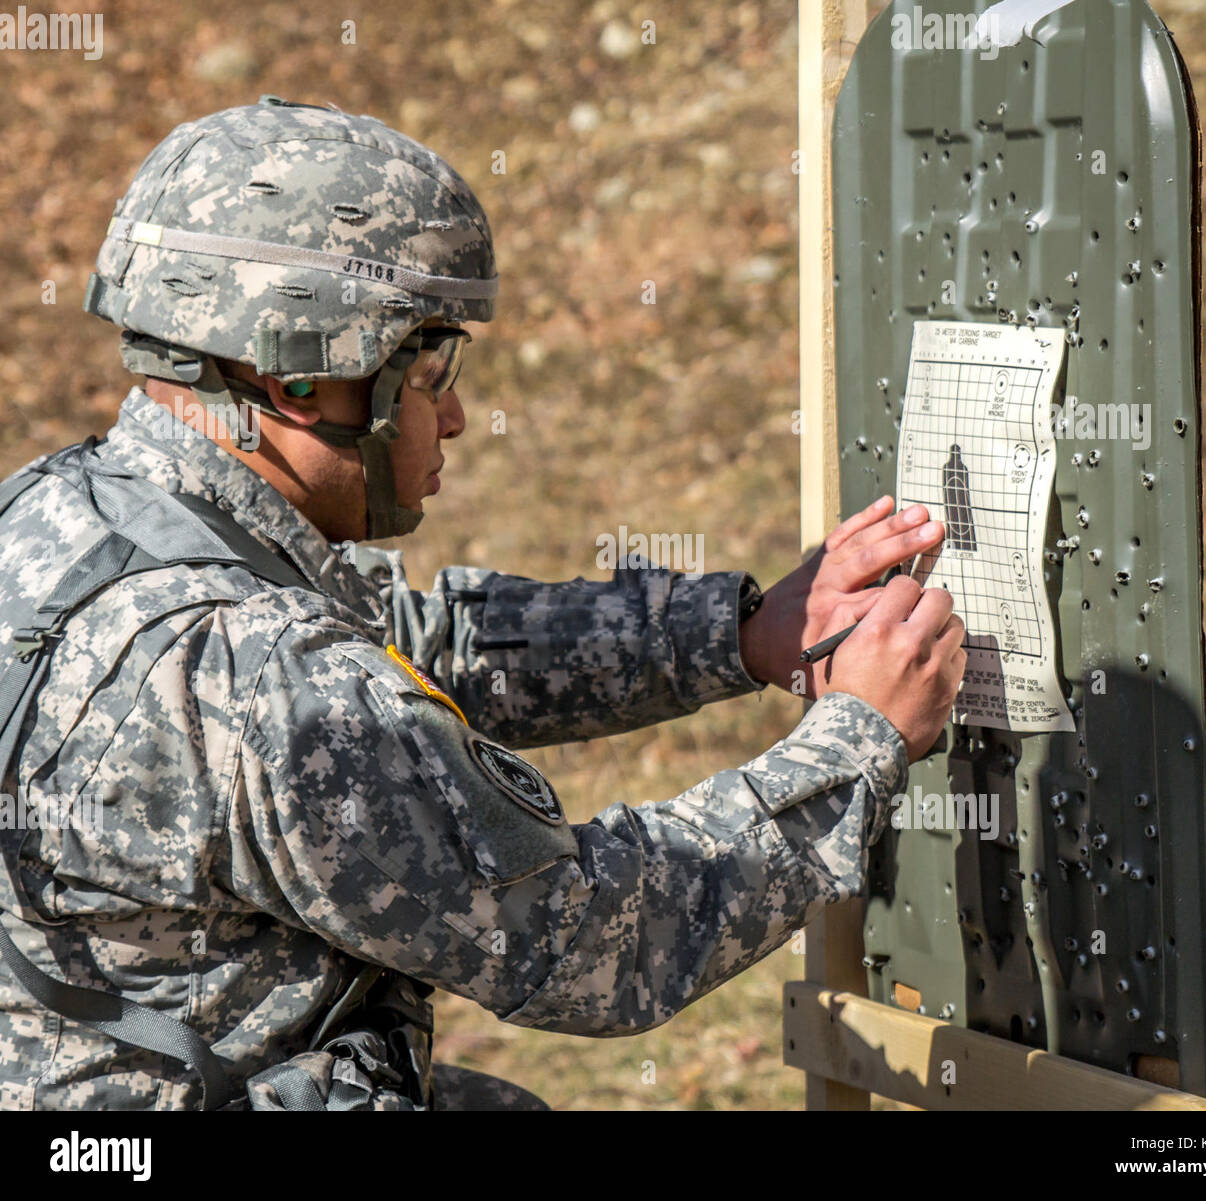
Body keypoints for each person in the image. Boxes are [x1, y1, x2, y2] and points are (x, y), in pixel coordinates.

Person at [0, 98, 964, 1111]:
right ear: (295, 383)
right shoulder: (265, 685)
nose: (454, 415)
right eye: (427, 368)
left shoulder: (63, 520)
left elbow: (416, 644)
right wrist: (858, 742)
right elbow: (594, 937)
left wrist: (730, 633)